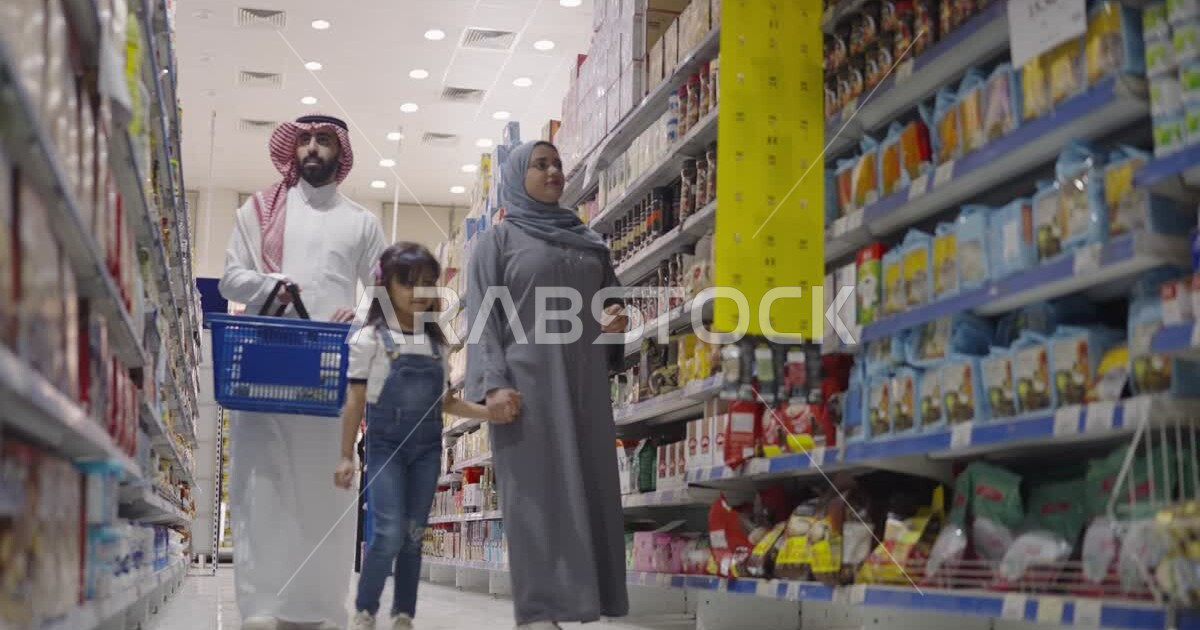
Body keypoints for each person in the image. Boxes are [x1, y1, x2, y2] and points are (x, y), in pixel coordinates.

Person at [219, 113, 386, 630]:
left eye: (324, 140)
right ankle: (261, 605)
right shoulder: (258, 211)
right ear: (293, 148)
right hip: (265, 364)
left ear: (341, 151)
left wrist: (358, 316)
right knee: (262, 485)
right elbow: (230, 279)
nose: (313, 147)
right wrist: (273, 285)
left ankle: (317, 606)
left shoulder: (362, 222)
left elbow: (388, 295)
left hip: (328, 373)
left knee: (325, 488)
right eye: (306, 139)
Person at [464, 141, 629, 630]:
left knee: (591, 487)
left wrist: (617, 319)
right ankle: (538, 613)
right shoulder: (498, 241)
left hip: (584, 385)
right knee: (534, 497)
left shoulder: (589, 241)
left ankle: (582, 603)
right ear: (519, 176)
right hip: (526, 389)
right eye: (541, 165)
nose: (553, 171)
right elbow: (483, 319)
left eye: (557, 164)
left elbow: (611, 302)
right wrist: (493, 385)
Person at [334, 243, 497, 630]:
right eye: (407, 283)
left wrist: (490, 413)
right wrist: (345, 456)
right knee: (388, 531)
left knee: (412, 534)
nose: (418, 292)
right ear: (385, 287)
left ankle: (403, 613)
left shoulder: (437, 343)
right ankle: (365, 609)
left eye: (427, 283)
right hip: (385, 443)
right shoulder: (369, 339)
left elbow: (445, 403)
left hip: (427, 448)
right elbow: (355, 400)